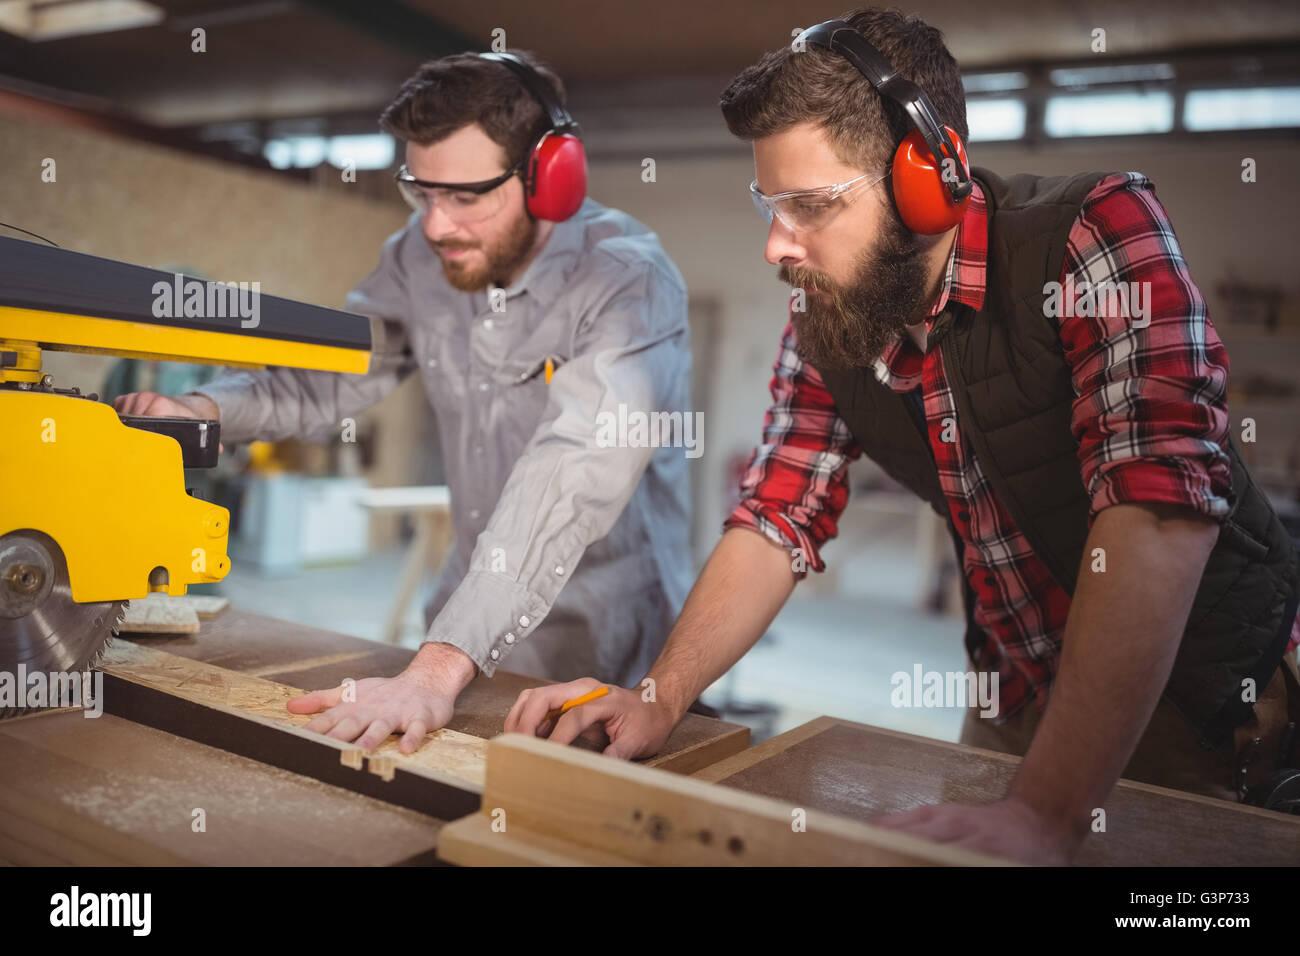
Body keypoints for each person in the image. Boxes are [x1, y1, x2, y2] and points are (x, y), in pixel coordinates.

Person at [504, 9, 1300, 864]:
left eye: (809, 206)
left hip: (1204, 709)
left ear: (932, 176)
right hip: (1014, 694)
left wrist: (1044, 808)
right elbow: (777, 515)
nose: (777, 243)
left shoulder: (1092, 234)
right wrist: (659, 698)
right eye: (768, 204)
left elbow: (1157, 513)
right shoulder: (831, 315)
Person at [115, 49, 694, 755]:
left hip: (606, 643)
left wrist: (437, 667)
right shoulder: (417, 259)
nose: (436, 226)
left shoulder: (628, 281)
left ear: (552, 178)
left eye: (465, 197)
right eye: (421, 193)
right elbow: (332, 378)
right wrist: (202, 412)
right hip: (462, 626)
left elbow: (571, 474)